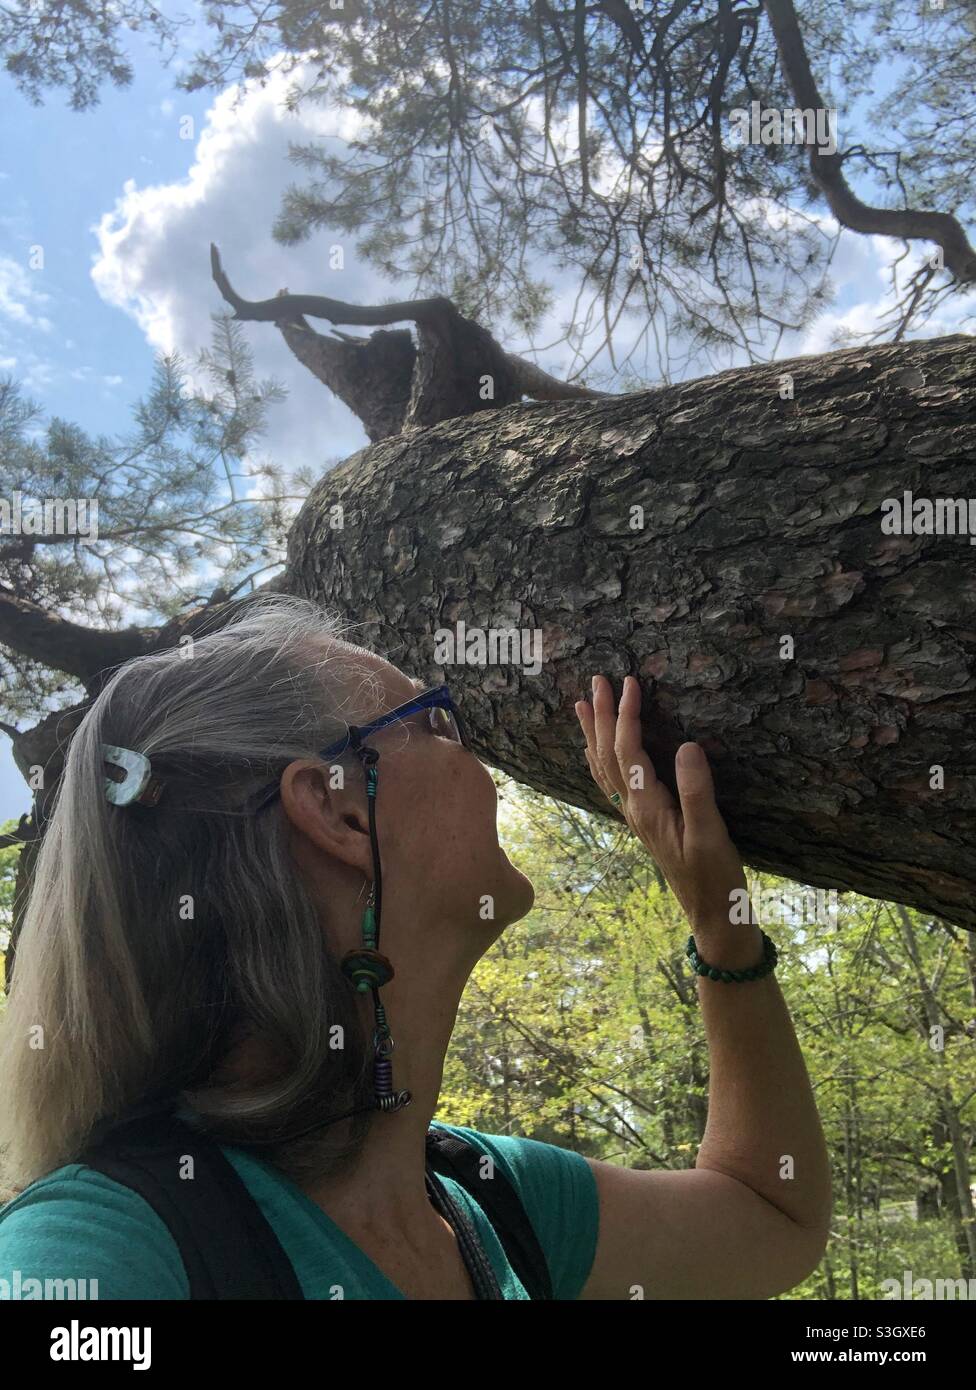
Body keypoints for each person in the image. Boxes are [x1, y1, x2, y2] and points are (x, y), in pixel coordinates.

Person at [0, 594, 831, 1299]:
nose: (487, 768)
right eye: (435, 723)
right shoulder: (106, 1247)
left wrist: (721, 923)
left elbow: (771, 1215)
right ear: (340, 810)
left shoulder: (493, 1199)